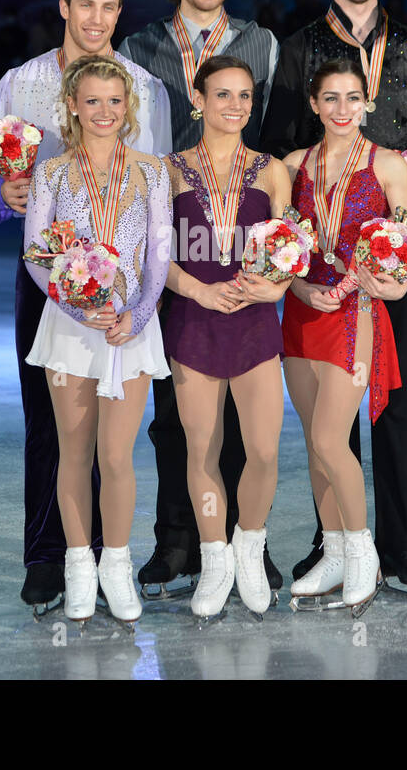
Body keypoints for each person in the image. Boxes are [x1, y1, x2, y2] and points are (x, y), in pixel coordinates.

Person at [260, 0, 407, 599]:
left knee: (398, 402)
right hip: (320, 271)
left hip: (390, 268)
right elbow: (279, 161)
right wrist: (290, 255)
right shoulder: (297, 49)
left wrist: (402, 251)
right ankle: (331, 541)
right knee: (322, 414)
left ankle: (402, 547)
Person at [0, 0, 172, 617]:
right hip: (50, 279)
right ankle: (47, 556)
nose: (96, 19)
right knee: (50, 421)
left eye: (109, 7)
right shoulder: (21, 84)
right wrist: (3, 191)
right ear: (64, 6)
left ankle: (112, 553)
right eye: (85, 4)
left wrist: (143, 297)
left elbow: (159, 186)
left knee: (116, 433)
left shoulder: (142, 87)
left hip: (127, 290)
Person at [117, 0, 281, 599]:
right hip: (170, 244)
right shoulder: (139, 46)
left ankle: (250, 546)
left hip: (237, 243)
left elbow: (265, 128)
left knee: (248, 425)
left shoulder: (261, 45)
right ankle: (178, 542)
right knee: (173, 415)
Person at [22, 54, 173, 627]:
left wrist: (139, 313)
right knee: (75, 453)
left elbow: (160, 252)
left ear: (127, 106)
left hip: (131, 327)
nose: (104, 111)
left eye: (114, 101)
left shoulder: (153, 171)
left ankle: (116, 565)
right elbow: (37, 254)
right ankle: (79, 567)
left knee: (117, 456)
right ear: (73, 107)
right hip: (72, 328)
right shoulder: (52, 173)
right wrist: (73, 303)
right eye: (92, 101)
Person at [280, 59, 407, 613]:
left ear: (367, 102)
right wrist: (296, 287)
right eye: (331, 98)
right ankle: (335, 551)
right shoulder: (292, 165)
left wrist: (392, 286)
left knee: (330, 439)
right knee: (315, 443)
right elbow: (276, 246)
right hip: (301, 314)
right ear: (314, 105)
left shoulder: (388, 165)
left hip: (354, 312)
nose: (343, 109)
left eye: (353, 98)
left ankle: (364, 554)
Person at [161, 55, 291, 620]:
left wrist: (277, 286)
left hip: (255, 322)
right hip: (195, 320)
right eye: (223, 95)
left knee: (263, 450)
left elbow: (293, 244)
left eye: (245, 96)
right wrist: (198, 292)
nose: (235, 106)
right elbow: (155, 254)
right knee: (202, 449)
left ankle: (249, 546)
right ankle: (214, 559)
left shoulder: (272, 169)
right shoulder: (166, 170)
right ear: (199, 99)